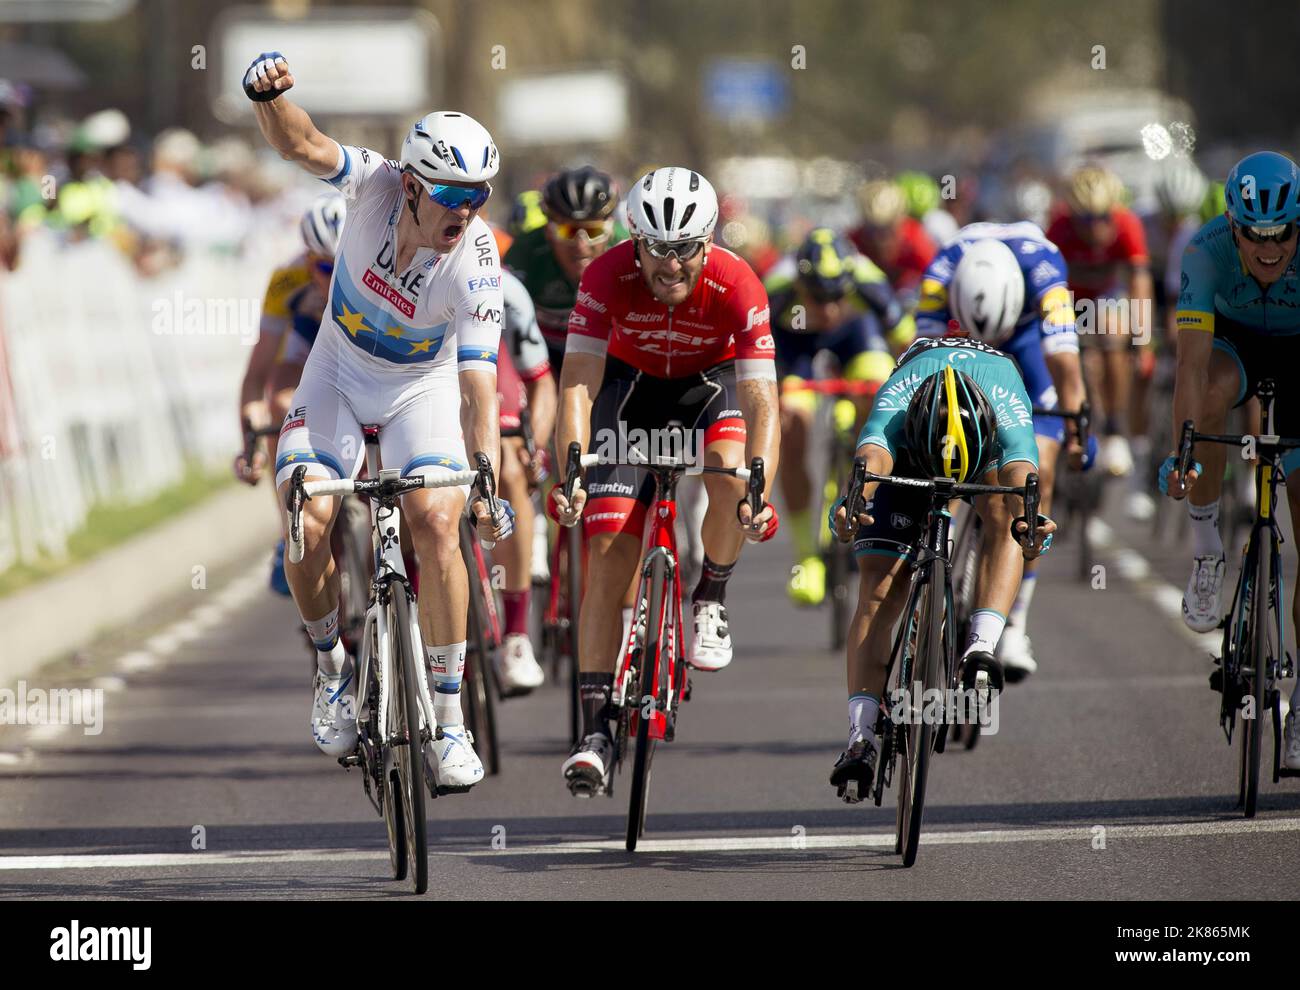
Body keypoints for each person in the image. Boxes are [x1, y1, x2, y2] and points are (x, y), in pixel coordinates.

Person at [242, 51, 514, 792]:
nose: (466, 210)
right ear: (417, 184)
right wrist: (270, 96)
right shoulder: (372, 184)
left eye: (480, 195)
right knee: (307, 513)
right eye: (454, 194)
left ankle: (451, 717)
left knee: (436, 517)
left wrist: (484, 481)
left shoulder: (477, 261)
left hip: (417, 393)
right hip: (335, 376)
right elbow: (300, 143)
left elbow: (478, 387)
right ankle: (332, 667)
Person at [550, 166, 781, 795]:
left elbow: (762, 400)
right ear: (635, 241)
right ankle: (595, 730)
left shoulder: (739, 282)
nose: (669, 265)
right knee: (606, 553)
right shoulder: (606, 275)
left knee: (730, 479)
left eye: (683, 250)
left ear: (707, 244)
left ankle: (711, 594)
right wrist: (572, 467)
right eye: (656, 248)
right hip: (631, 392)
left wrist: (758, 486)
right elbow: (577, 382)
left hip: (713, 387)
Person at [827, 336, 1056, 798]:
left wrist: (1030, 523)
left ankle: (982, 645)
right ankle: (860, 736)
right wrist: (853, 507)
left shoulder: (1007, 400)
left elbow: (1023, 476)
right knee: (877, 587)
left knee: (1006, 513)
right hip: (909, 450)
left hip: (981, 443)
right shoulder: (898, 398)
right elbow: (870, 463)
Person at [1160, 150, 1300, 770]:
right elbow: (1190, 368)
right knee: (1210, 394)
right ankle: (1207, 547)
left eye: (1283, 235)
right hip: (1234, 345)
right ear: (1233, 227)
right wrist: (1183, 452)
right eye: (1255, 237)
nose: (1269, 251)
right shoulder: (1204, 251)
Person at [914, 224, 1087, 680]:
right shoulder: (939, 275)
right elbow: (914, 361)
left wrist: (1077, 429)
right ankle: (938, 550)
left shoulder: (1045, 271)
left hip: (1027, 349)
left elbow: (1065, 364)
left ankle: (1014, 623)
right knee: (938, 446)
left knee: (1036, 477)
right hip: (958, 344)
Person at [764, 228, 910, 606]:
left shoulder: (870, 284)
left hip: (856, 339)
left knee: (879, 394)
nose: (827, 309)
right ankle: (806, 555)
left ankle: (857, 477)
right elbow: (755, 359)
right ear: (799, 284)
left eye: (836, 297)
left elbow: (908, 346)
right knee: (791, 422)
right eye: (817, 298)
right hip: (798, 344)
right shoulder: (777, 291)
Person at [234, 193, 345, 595]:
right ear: (307, 259)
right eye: (324, 267)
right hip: (310, 353)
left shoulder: (383, 268)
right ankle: (289, 527)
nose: (333, 278)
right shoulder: (288, 281)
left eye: (343, 264)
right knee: (281, 405)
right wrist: (252, 446)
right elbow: (256, 376)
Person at [1046, 165, 1153, 482]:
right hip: (1068, 300)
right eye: (1086, 221)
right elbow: (1046, 285)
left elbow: (1139, 283)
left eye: (1102, 218)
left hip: (1106, 297)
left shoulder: (1127, 224)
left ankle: (1114, 427)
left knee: (1111, 331)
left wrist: (1142, 338)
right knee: (1084, 360)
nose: (1095, 228)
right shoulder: (1060, 228)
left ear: (1113, 212)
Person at [494, 269, 556, 693]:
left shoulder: (506, 290)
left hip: (485, 372)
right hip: (421, 381)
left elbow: (540, 382)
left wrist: (535, 447)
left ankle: (516, 634)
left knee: (510, 467)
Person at [503, 166, 626, 373]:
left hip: (610, 356)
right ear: (548, 231)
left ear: (611, 228)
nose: (581, 246)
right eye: (567, 230)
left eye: (594, 230)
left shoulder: (627, 251)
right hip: (544, 354)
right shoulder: (525, 254)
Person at [848, 179, 937, 303]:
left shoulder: (917, 241)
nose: (879, 240)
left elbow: (938, 281)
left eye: (887, 230)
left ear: (900, 223)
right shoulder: (853, 242)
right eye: (872, 230)